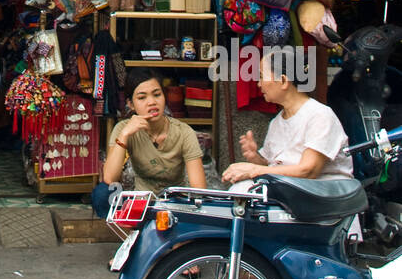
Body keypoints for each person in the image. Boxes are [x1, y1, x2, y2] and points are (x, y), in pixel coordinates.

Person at [222, 54, 353, 186]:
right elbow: (272, 168)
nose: (259, 84)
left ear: (283, 81)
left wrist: (254, 170)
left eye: (262, 76)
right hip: (292, 192)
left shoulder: (320, 115)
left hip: (325, 196)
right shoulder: (277, 122)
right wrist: (255, 157)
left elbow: (309, 171)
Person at [92, 69, 207, 218]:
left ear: (164, 98)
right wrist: (125, 135)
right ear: (130, 104)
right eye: (142, 97)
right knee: (102, 194)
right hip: (141, 201)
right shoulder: (123, 129)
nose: (151, 102)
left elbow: (199, 188)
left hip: (174, 203)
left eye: (157, 95)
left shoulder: (184, 132)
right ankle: (134, 234)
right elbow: (109, 178)